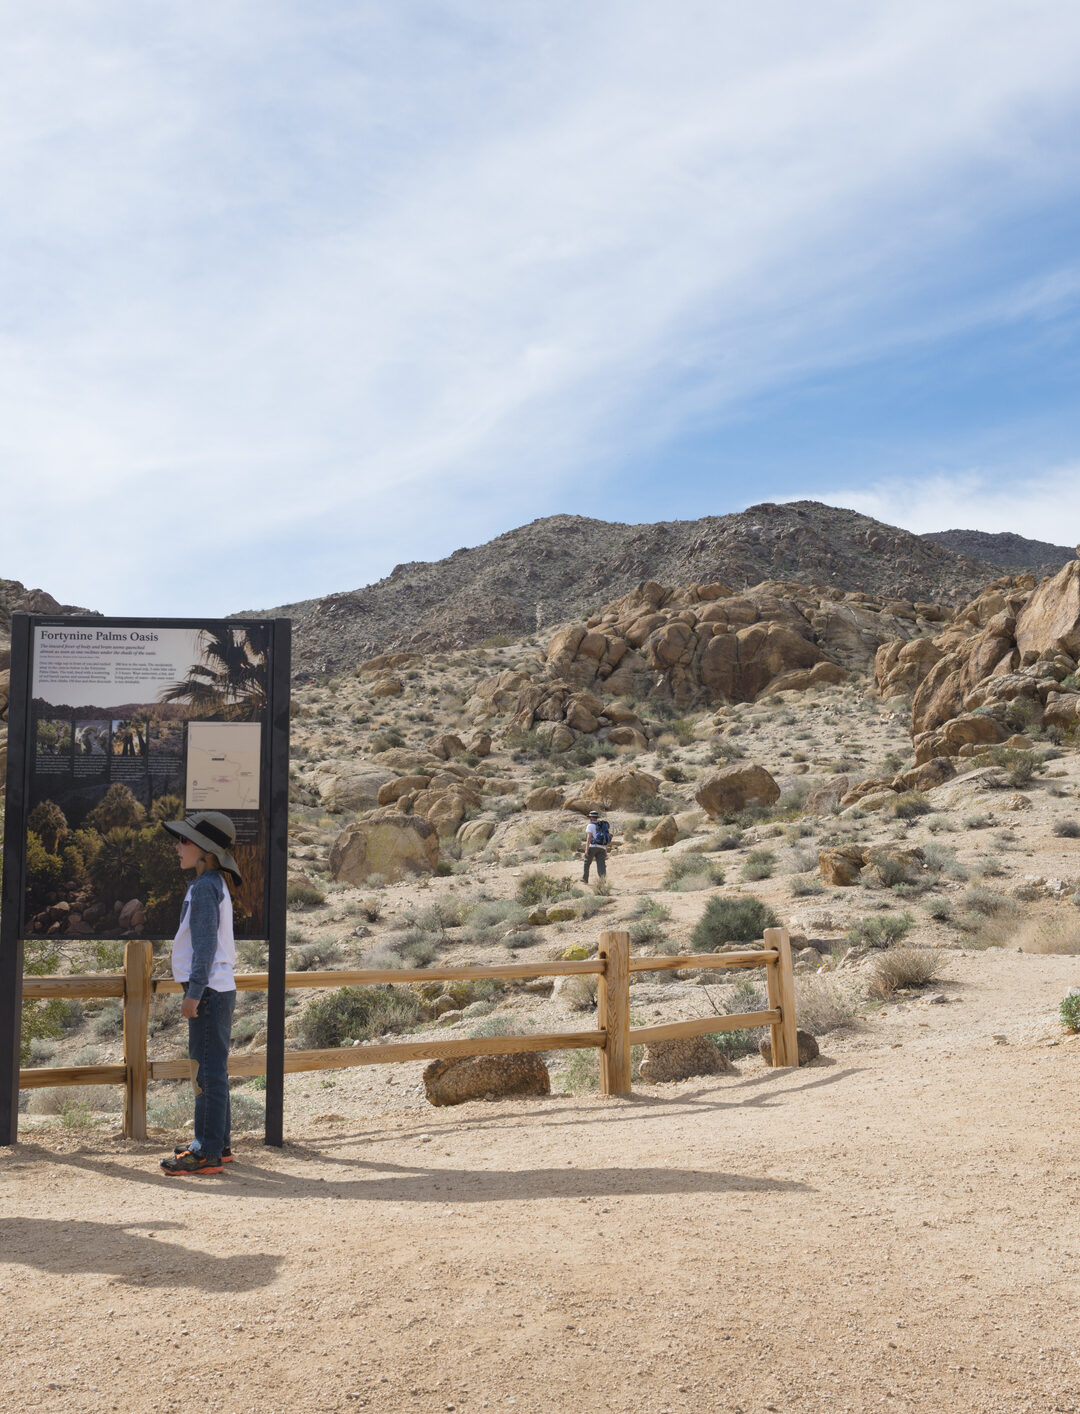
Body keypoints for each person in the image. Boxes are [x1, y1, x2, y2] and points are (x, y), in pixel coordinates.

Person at [158, 811, 241, 1177]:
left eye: (185, 841)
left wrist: (192, 994)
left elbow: (204, 947)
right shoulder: (212, 884)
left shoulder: (206, 887)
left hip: (207, 992)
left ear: (206, 851)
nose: (178, 846)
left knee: (206, 1073)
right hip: (215, 990)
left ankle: (205, 1151)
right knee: (212, 1070)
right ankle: (217, 1145)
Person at [582, 809, 610, 884]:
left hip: (593, 846)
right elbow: (606, 838)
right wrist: (605, 851)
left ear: (591, 818)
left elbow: (589, 837)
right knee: (601, 865)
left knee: (587, 862)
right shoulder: (603, 826)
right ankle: (602, 881)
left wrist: (586, 849)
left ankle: (585, 879)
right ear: (596, 817)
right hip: (602, 848)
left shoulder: (590, 825)